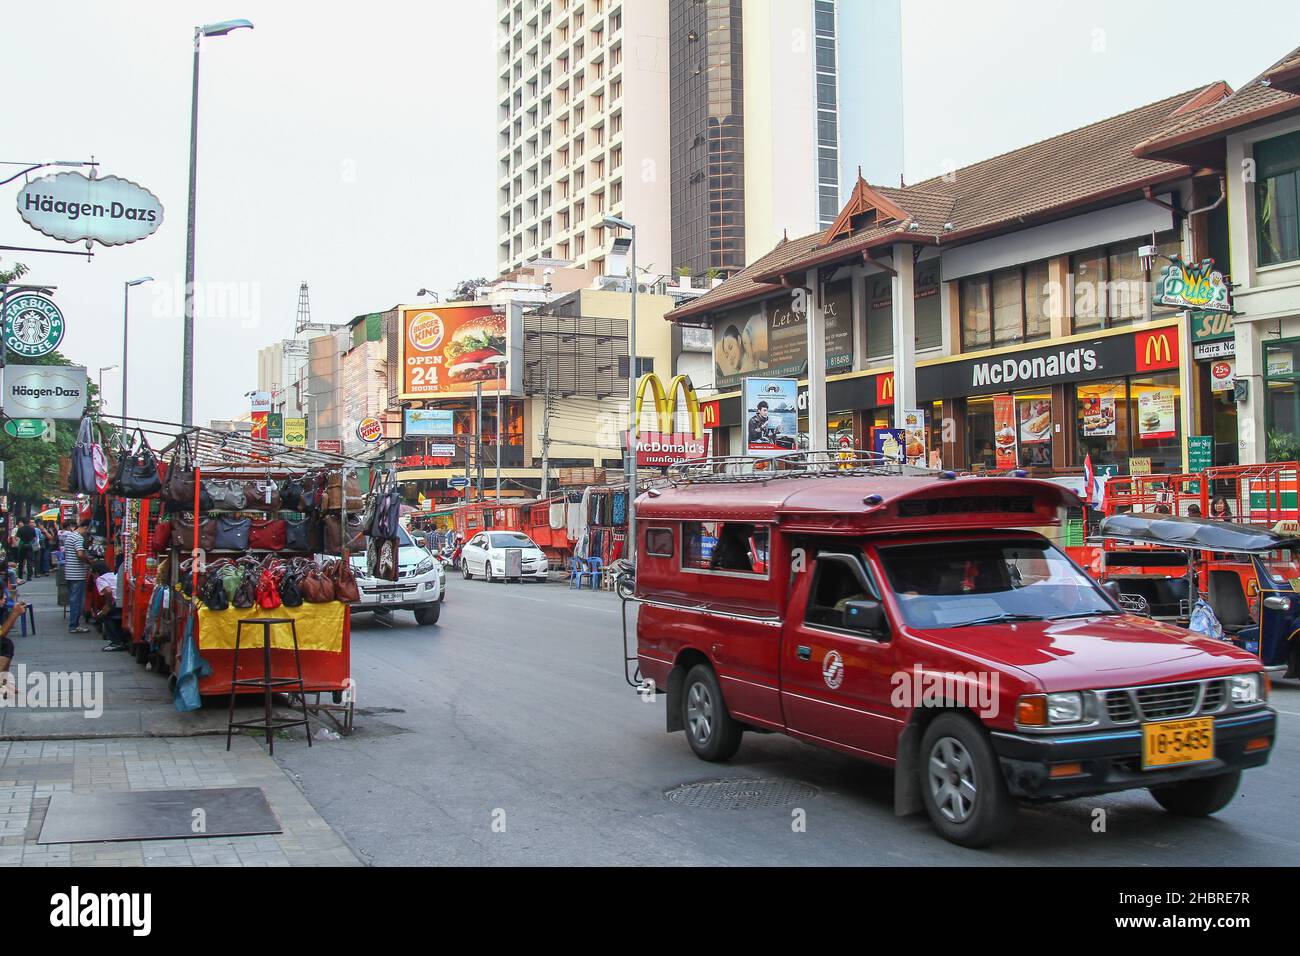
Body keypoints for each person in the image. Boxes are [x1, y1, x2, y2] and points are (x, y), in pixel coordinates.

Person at [58, 519, 91, 634]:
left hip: (70, 573)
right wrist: (89, 562)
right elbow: (80, 554)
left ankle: (74, 624)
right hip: (77, 574)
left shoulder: (70, 536)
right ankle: (74, 625)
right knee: (77, 601)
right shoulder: (78, 538)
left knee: (74, 599)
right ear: (86, 527)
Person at [90, 560, 127, 652]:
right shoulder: (114, 574)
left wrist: (108, 605)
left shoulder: (100, 579)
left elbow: (108, 591)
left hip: (116, 602)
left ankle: (116, 642)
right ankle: (121, 640)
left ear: (97, 573)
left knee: (105, 616)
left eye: (93, 575)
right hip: (124, 602)